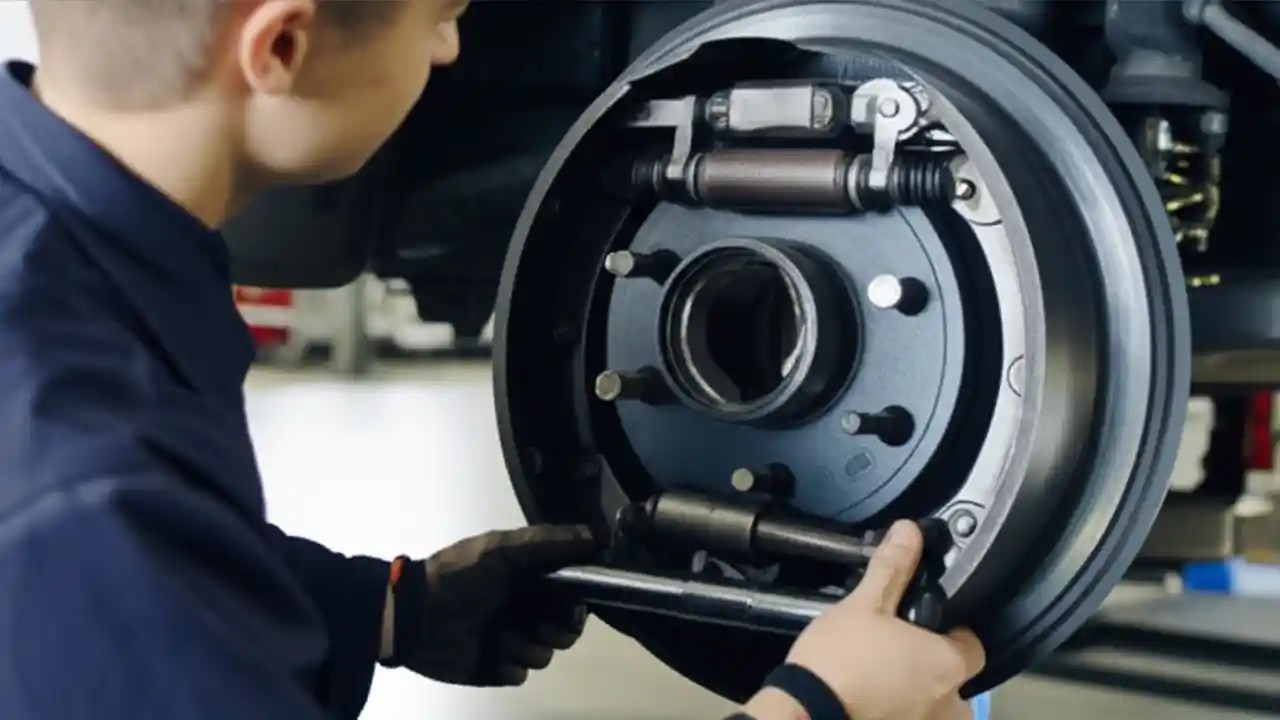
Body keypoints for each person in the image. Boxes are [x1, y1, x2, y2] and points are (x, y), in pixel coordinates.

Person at [0, 1, 986, 718]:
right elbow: (96, 554)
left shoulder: (56, 245)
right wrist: (818, 708)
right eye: (439, 13)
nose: (451, 46)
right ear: (282, 45)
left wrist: (383, 610)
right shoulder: (89, 477)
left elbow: (107, 601)